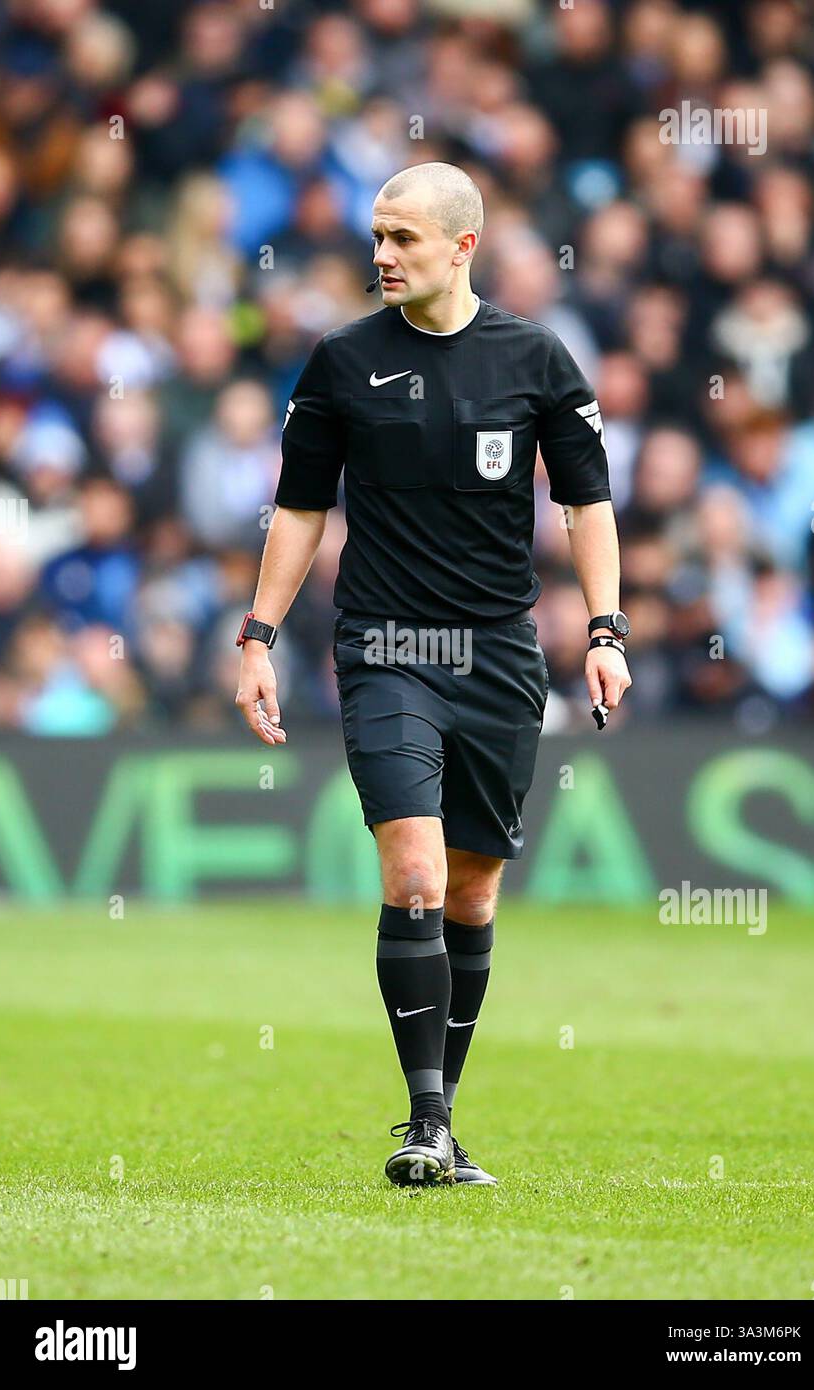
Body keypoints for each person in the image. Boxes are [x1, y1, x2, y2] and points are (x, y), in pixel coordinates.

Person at [235, 162, 632, 1186]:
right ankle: (422, 1124)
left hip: (497, 653)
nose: (380, 255)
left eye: (402, 238)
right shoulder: (338, 362)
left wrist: (604, 629)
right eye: (376, 235)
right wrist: (257, 635)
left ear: (461, 247)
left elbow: (587, 507)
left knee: (469, 891)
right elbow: (298, 509)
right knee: (410, 870)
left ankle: (442, 1116)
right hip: (385, 646)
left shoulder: (536, 361)